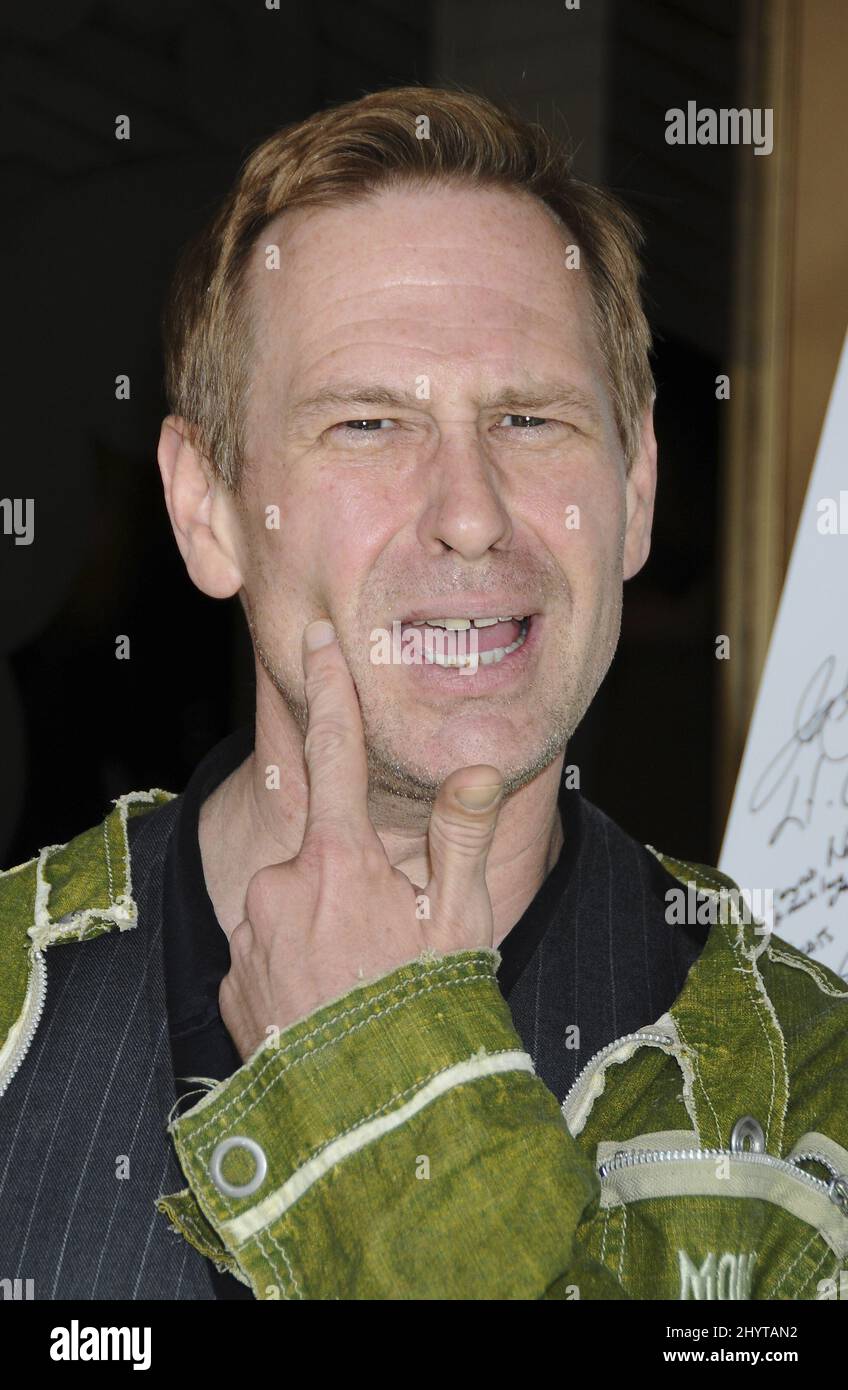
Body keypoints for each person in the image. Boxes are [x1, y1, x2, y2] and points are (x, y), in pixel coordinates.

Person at [1, 85, 846, 1303]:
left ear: (637, 487)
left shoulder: (802, 1085)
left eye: (528, 417)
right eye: (365, 423)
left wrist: (384, 1088)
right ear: (208, 510)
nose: (468, 513)